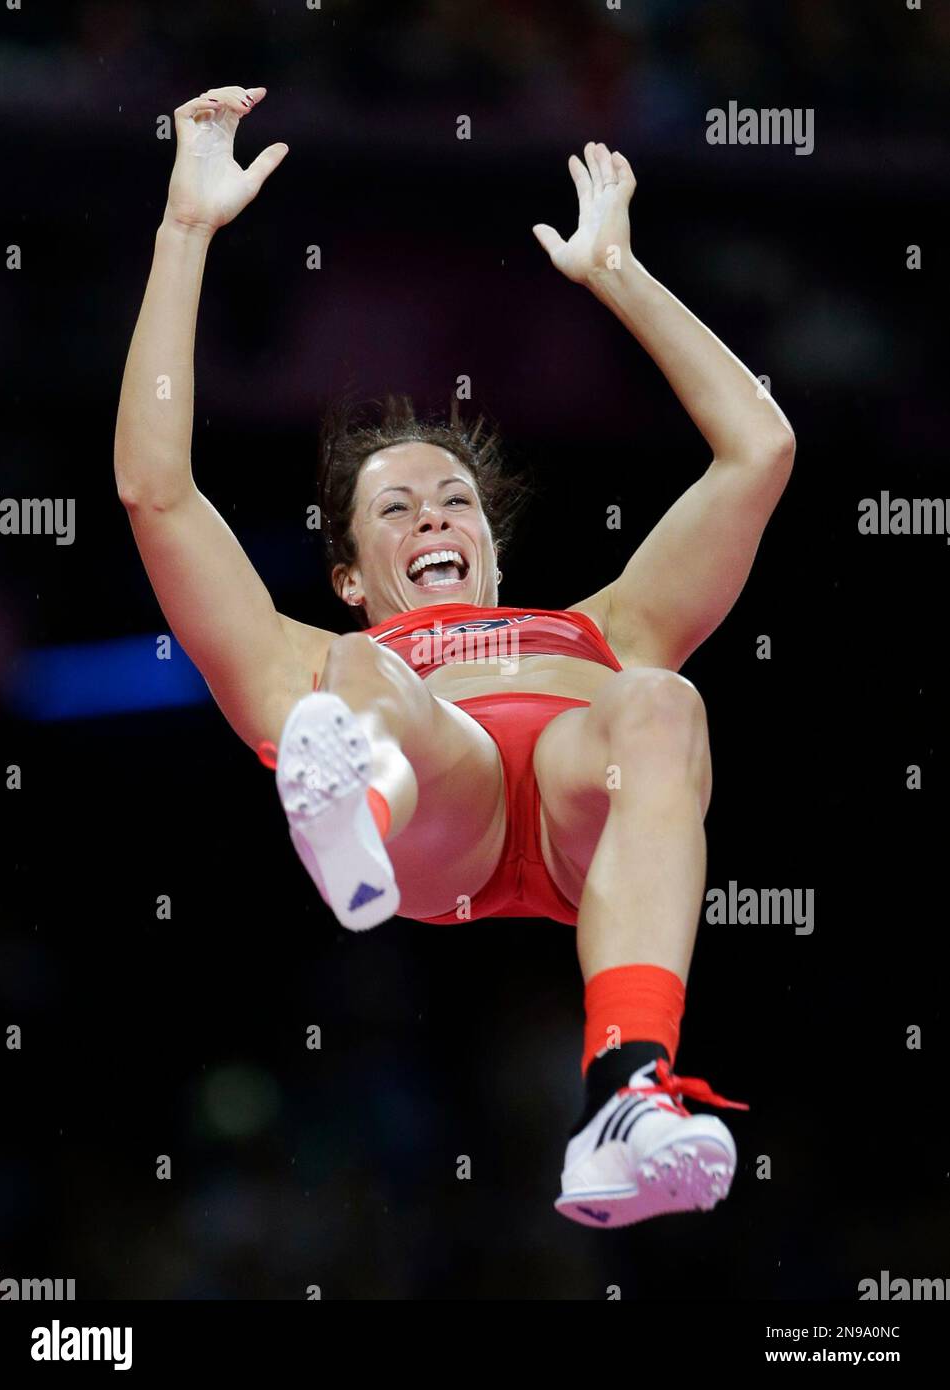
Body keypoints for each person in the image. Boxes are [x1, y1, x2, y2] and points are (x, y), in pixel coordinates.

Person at [114, 84, 795, 1229]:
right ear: (346, 573)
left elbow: (759, 449)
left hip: (590, 807)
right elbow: (158, 492)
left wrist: (619, 274)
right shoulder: (313, 650)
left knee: (664, 704)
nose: (435, 519)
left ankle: (627, 1094)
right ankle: (353, 803)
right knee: (367, 678)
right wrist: (183, 231)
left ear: (488, 535)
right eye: (398, 511)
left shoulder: (606, 628)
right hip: (448, 819)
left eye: (454, 501)